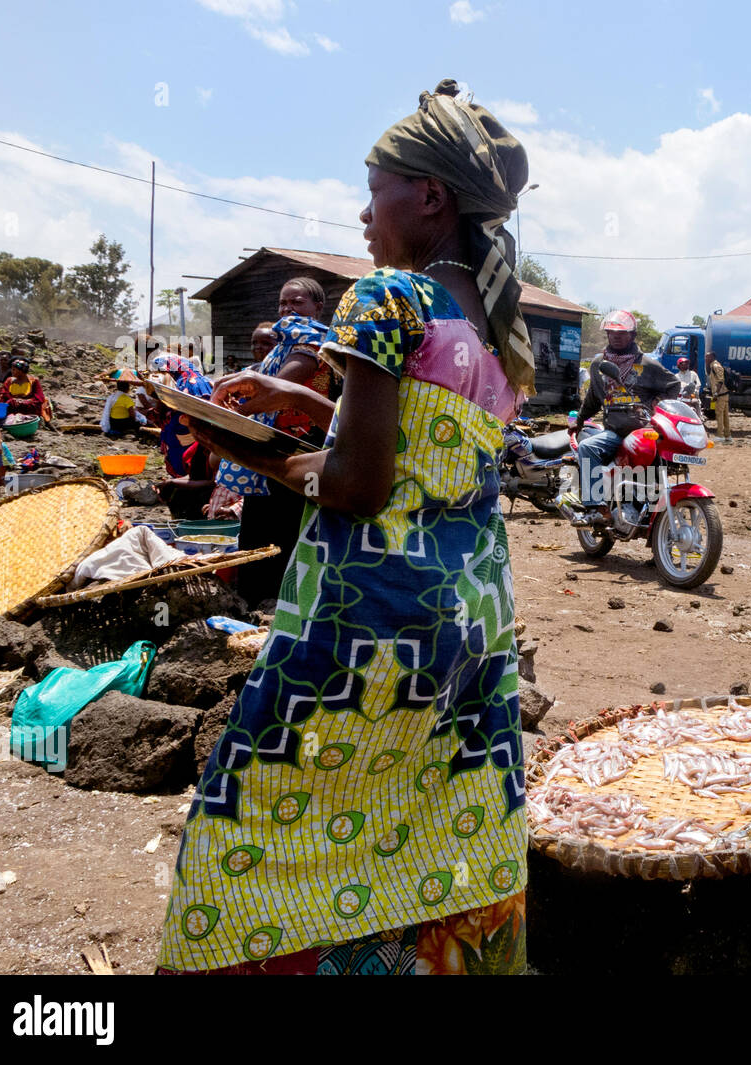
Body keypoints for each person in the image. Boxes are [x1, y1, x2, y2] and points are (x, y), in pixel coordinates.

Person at [158, 79, 531, 976]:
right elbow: (424, 440)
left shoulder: (388, 296)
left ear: (429, 196)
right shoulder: (494, 331)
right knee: (435, 814)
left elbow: (357, 484)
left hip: (364, 631)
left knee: (254, 824)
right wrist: (293, 398)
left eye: (376, 189)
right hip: (469, 627)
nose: (365, 214)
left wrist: (230, 440)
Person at [214, 278, 332, 607]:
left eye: (297, 302)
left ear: (317, 308)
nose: (287, 309)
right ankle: (251, 595)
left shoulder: (313, 342)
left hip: (302, 448)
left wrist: (250, 392)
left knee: (287, 521)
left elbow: (282, 384)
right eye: (282, 303)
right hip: (269, 445)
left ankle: (280, 601)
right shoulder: (282, 346)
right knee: (257, 519)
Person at [572, 309, 680, 524]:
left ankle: (655, 523)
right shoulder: (597, 364)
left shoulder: (647, 365)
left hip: (644, 431)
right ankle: (595, 507)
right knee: (587, 447)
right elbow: (594, 396)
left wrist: (655, 403)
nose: (616, 336)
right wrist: (579, 421)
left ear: (633, 335)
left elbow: (673, 385)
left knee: (655, 473)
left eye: (622, 333)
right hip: (614, 432)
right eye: (611, 332)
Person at [0, 357, 51, 421]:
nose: (12, 371)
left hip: (28, 406)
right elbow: (4, 395)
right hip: (13, 406)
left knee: (37, 406)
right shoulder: (9, 381)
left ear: (21, 371)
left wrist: (24, 401)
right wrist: (13, 400)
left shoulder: (33, 381)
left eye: (14, 370)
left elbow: (39, 398)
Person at [100, 370, 145, 436]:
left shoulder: (112, 397)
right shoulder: (127, 399)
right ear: (127, 388)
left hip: (113, 423)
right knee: (137, 423)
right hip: (123, 423)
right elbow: (132, 414)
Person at [705, 349, 731, 443]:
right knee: (724, 415)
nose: (706, 358)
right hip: (723, 394)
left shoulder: (716, 365)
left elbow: (720, 380)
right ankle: (727, 436)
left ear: (712, 357)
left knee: (719, 414)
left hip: (721, 394)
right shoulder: (712, 366)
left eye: (707, 357)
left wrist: (716, 393)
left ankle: (720, 435)